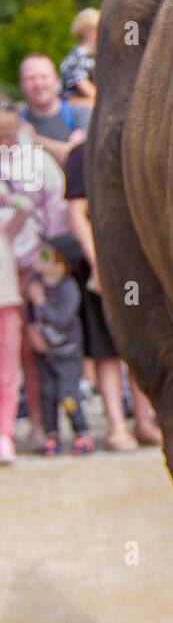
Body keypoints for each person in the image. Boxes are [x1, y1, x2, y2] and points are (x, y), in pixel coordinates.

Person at [64, 140, 161, 449]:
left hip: (138, 265)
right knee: (106, 349)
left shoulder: (135, 145)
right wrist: (98, 263)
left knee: (139, 343)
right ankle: (117, 425)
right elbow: (77, 212)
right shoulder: (83, 153)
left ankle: (145, 421)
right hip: (100, 268)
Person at [0, 99, 70, 448]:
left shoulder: (38, 162)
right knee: (8, 349)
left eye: (8, 133)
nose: (5, 141)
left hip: (34, 266)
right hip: (2, 268)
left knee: (36, 346)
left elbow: (55, 217)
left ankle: (43, 423)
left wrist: (43, 270)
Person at [26, 234, 94, 455]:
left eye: (47, 254)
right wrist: (32, 331)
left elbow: (62, 319)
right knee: (47, 393)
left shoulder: (68, 288)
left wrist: (41, 302)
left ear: (60, 264)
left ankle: (81, 432)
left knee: (68, 394)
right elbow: (29, 312)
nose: (40, 256)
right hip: (45, 351)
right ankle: (52, 434)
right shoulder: (35, 283)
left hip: (67, 352)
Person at [0, 182, 35, 464]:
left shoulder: (4, 230)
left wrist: (6, 196)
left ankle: (4, 435)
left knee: (8, 373)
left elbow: (26, 207)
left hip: (7, 304)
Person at [19, 54, 89, 169]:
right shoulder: (16, 121)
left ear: (57, 81)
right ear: (21, 85)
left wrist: (33, 139)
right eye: (31, 78)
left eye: (44, 77)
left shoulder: (80, 114)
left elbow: (74, 158)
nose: (38, 84)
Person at [59, 8, 99, 111]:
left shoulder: (88, 58)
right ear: (93, 33)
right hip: (74, 110)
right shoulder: (78, 59)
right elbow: (94, 94)